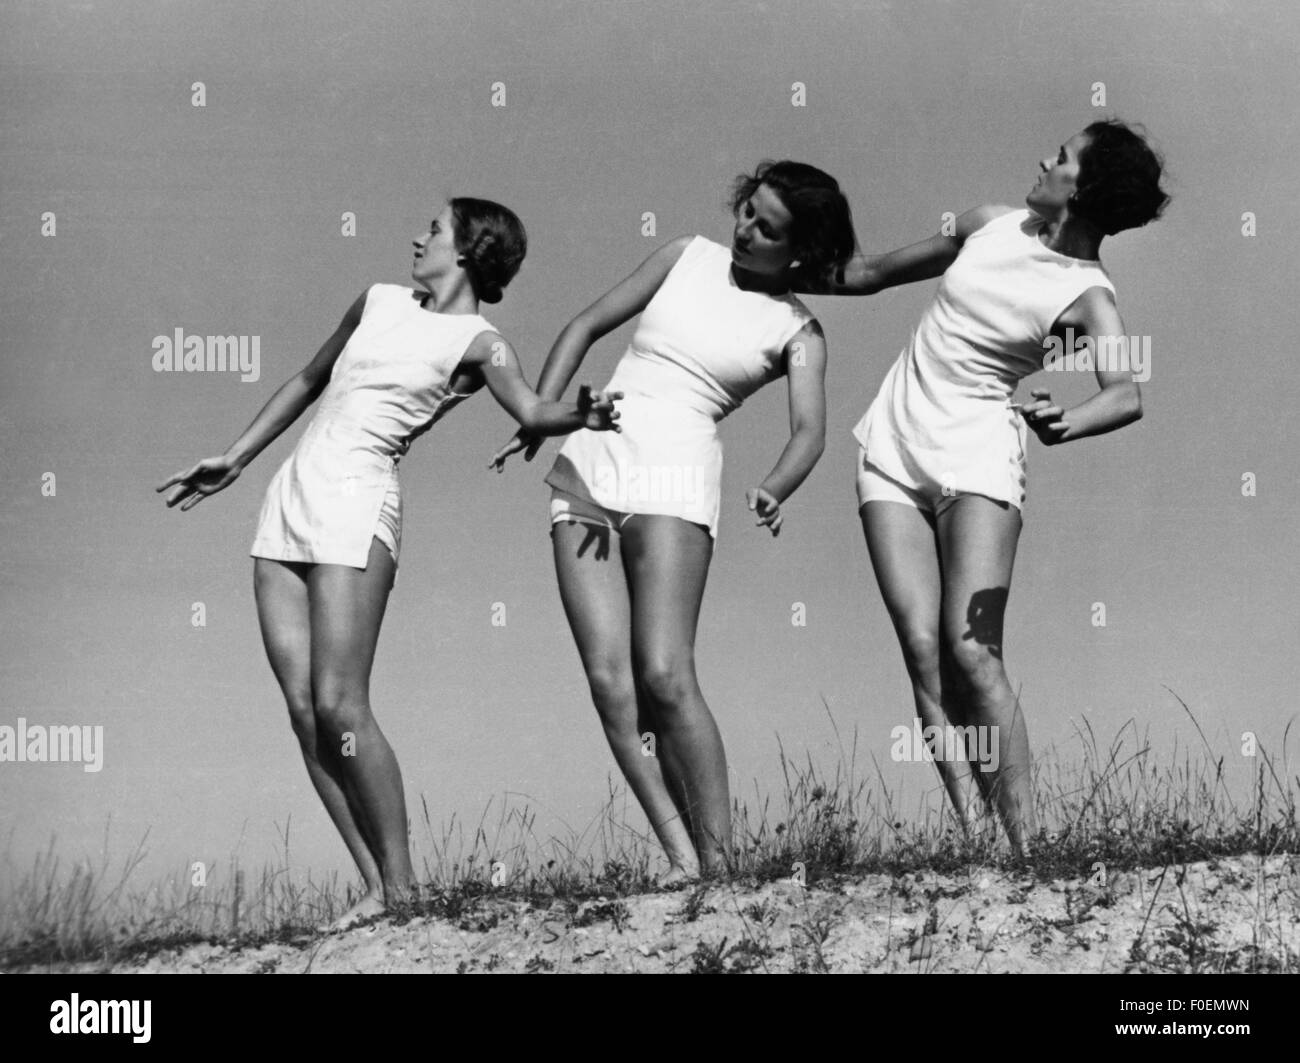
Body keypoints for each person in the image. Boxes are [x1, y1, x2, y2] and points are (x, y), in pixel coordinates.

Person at [156, 198, 620, 927]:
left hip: (358, 502)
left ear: (469, 249)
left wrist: (582, 416)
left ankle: (405, 886)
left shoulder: (480, 341)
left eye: (433, 228)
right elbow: (310, 379)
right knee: (305, 712)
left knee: (342, 701)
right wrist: (237, 459)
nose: (416, 235)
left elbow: (530, 409)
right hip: (289, 498)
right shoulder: (376, 300)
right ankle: (377, 885)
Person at [810, 119, 1169, 855]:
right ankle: (977, 847)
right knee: (922, 649)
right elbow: (873, 271)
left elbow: (1126, 391)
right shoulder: (987, 223)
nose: (1044, 156)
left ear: (1084, 187)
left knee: (972, 653)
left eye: (1063, 156)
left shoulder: (1090, 297)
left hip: (977, 454)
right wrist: (769, 273)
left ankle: (1028, 848)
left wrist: (1065, 419)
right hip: (892, 445)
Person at [491, 161, 855, 885]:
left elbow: (810, 431)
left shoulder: (799, 330)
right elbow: (586, 323)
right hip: (589, 469)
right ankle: (682, 860)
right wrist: (542, 410)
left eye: (767, 228)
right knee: (609, 680)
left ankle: (722, 862)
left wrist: (776, 486)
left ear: (799, 251)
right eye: (747, 210)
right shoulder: (684, 255)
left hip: (675, 485)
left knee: (664, 671)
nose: (745, 228)